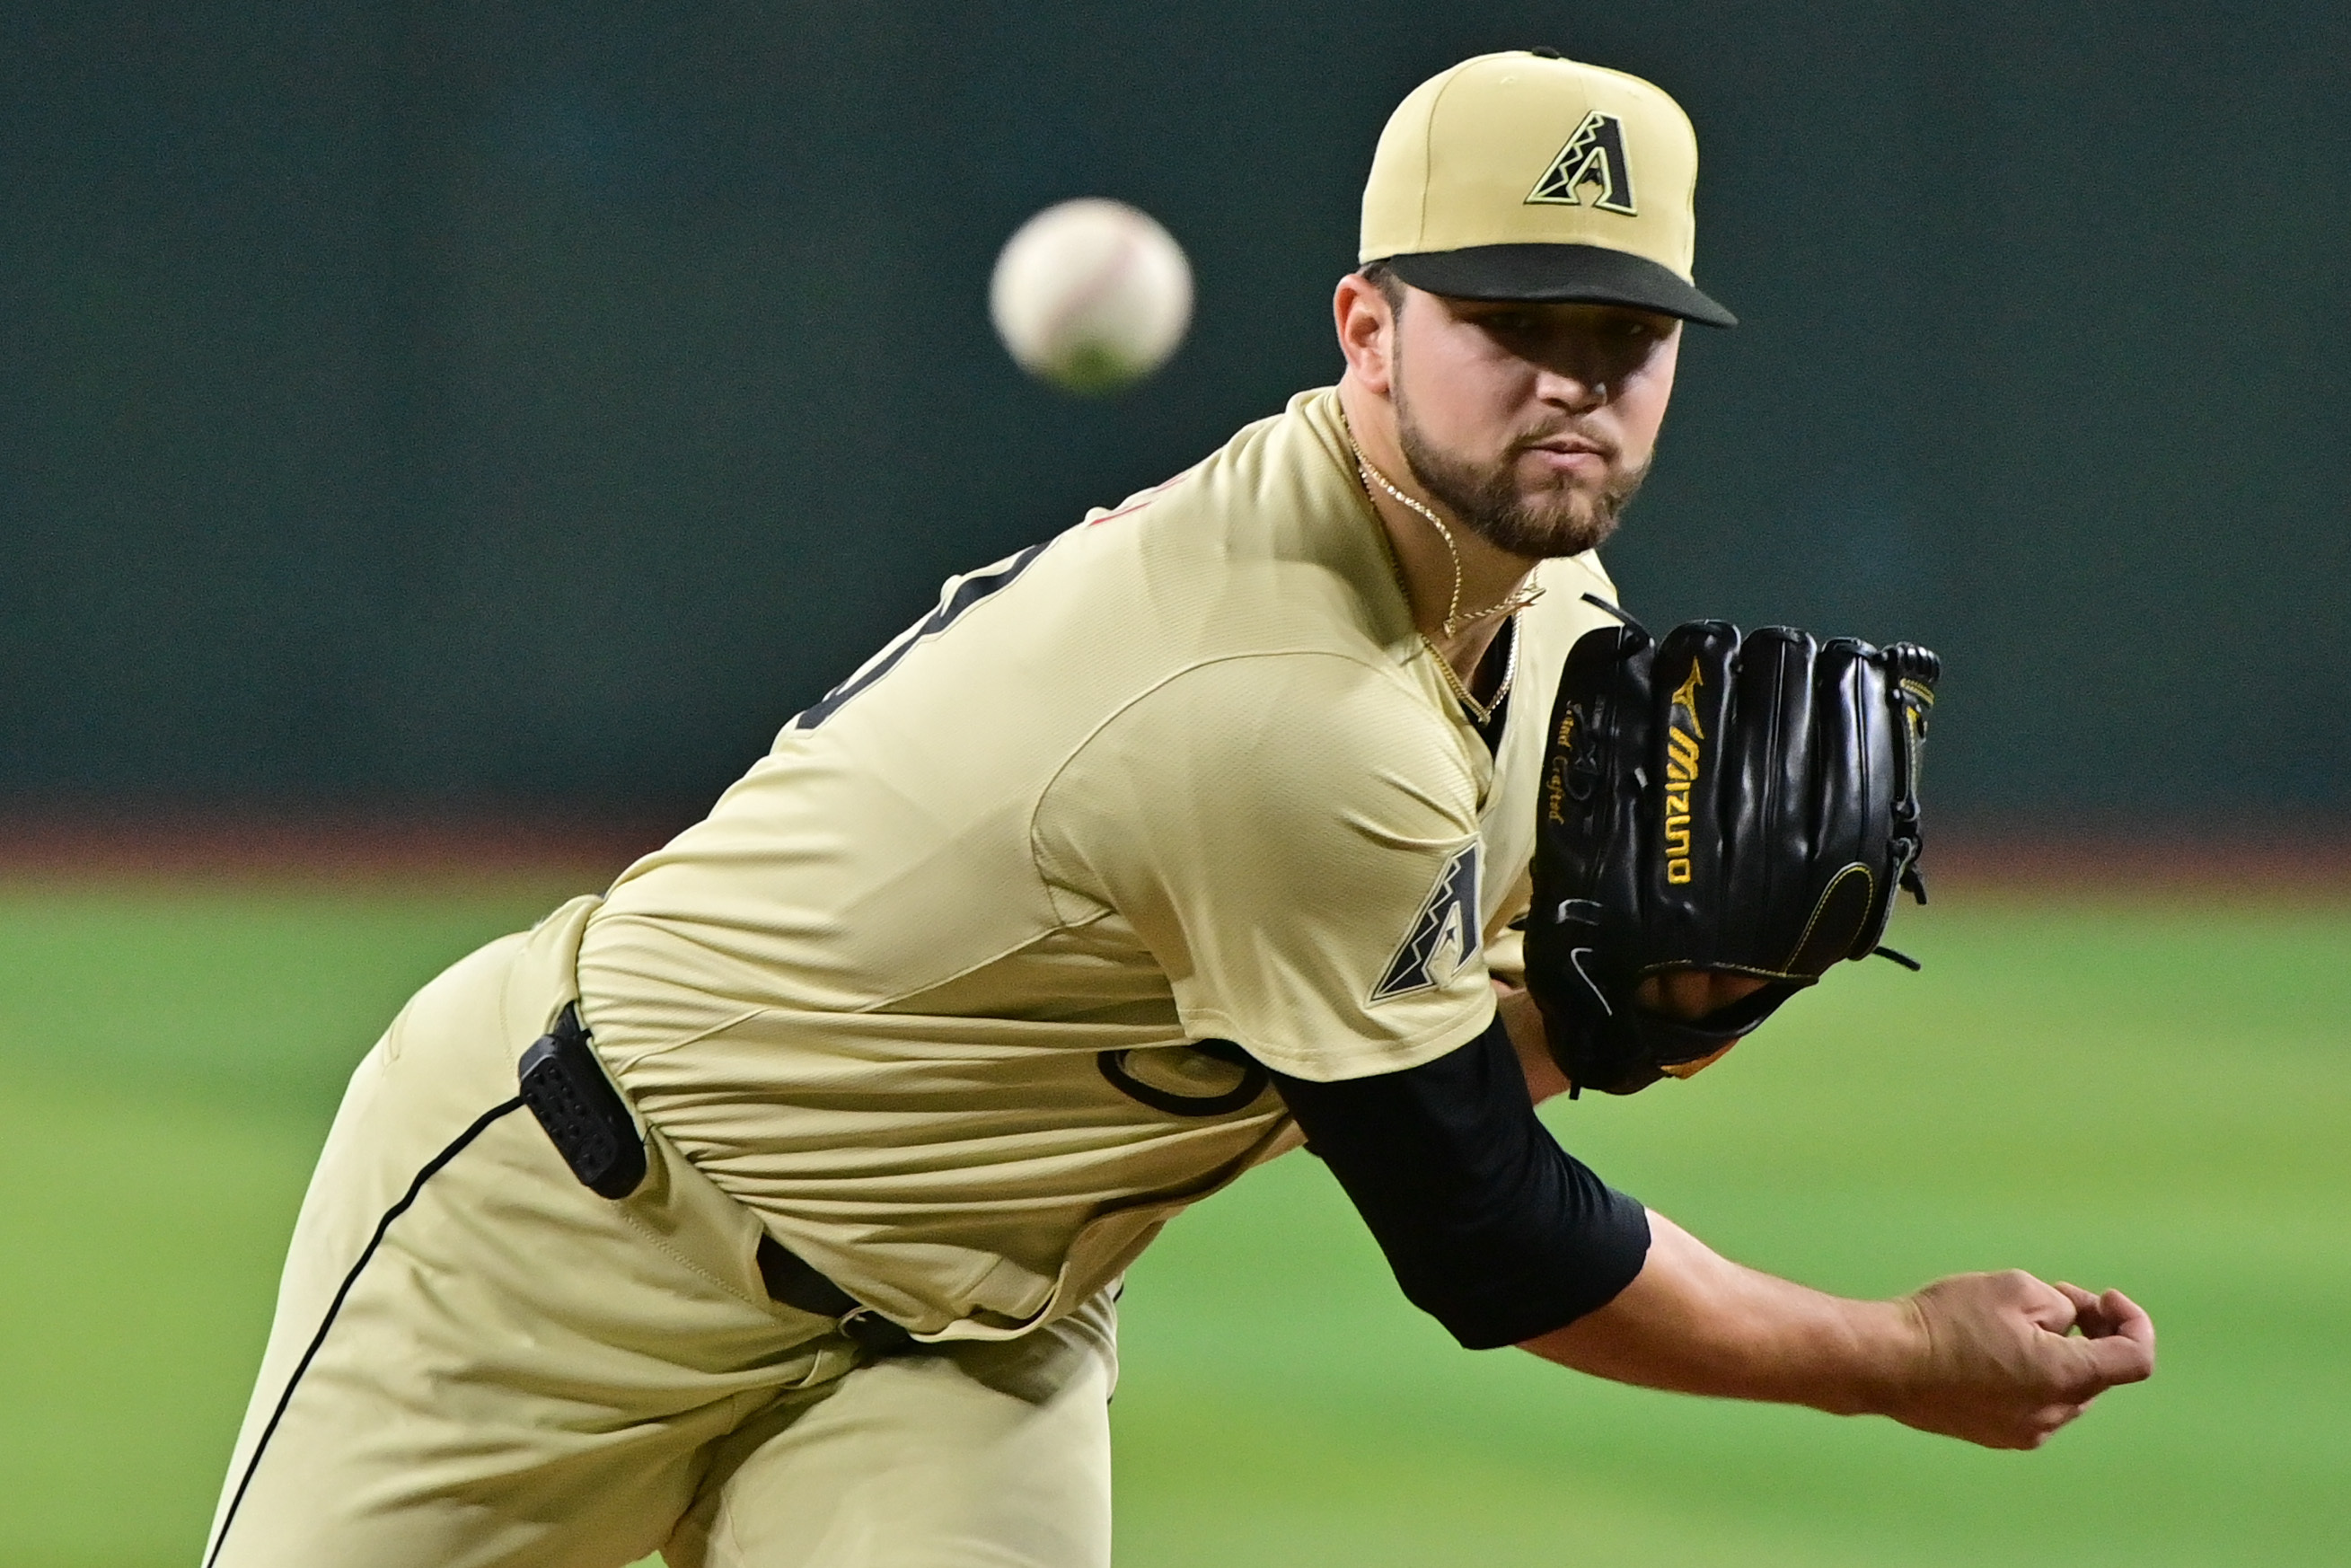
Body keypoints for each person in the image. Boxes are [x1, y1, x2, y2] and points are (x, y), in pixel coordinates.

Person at [205, 49, 2153, 1568]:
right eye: (1511, 329)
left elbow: (1437, 1059)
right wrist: (1899, 1361)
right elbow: (1484, 1234)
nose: (1574, 389)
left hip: (964, 1338)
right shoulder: (1283, 713)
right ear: (1366, 327)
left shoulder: (1543, 611)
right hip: (572, 1239)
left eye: (1620, 342)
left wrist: (1644, 1016)